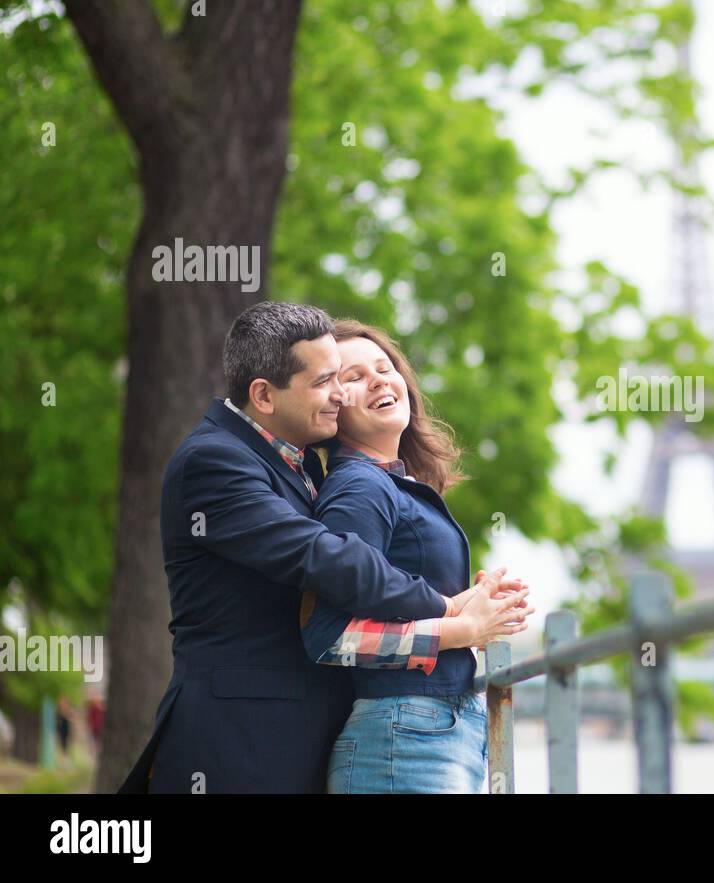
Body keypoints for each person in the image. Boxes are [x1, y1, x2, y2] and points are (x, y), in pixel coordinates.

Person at [119, 301, 524, 793]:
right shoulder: (213, 461)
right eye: (324, 382)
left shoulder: (303, 465)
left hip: (304, 740)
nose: (338, 395)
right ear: (264, 396)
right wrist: (451, 612)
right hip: (239, 746)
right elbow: (323, 556)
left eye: (343, 377)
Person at [301, 320, 535, 793]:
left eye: (385, 368)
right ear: (332, 406)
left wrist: (473, 604)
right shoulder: (360, 489)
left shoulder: (393, 484)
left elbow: (391, 598)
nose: (379, 380)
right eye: (354, 376)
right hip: (403, 740)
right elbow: (328, 637)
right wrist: (462, 630)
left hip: (432, 732)